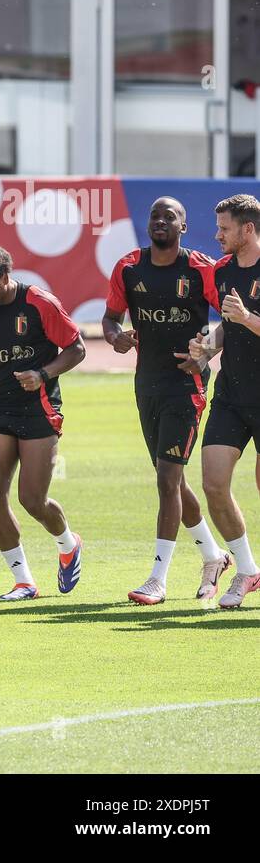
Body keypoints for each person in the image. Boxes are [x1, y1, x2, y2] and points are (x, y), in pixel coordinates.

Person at [104, 198, 228, 604]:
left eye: (169, 216)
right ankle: (213, 554)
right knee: (171, 477)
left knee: (166, 481)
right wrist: (115, 337)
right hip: (146, 384)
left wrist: (205, 350)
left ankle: (157, 578)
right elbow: (110, 318)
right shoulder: (128, 267)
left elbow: (229, 316)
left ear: (183, 227)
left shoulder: (201, 268)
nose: (160, 221)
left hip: (185, 386)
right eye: (155, 215)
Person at [0, 244, 86, 600]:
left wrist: (43, 373)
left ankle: (67, 543)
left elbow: (77, 349)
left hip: (38, 409)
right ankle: (24, 581)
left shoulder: (39, 303)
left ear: (5, 277)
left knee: (32, 499)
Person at [187, 193, 260, 608]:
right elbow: (226, 327)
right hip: (231, 394)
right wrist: (207, 346)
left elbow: (243, 320)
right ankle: (248, 571)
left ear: (247, 229)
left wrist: (247, 317)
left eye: (224, 229)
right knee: (214, 485)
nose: (217, 236)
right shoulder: (222, 271)